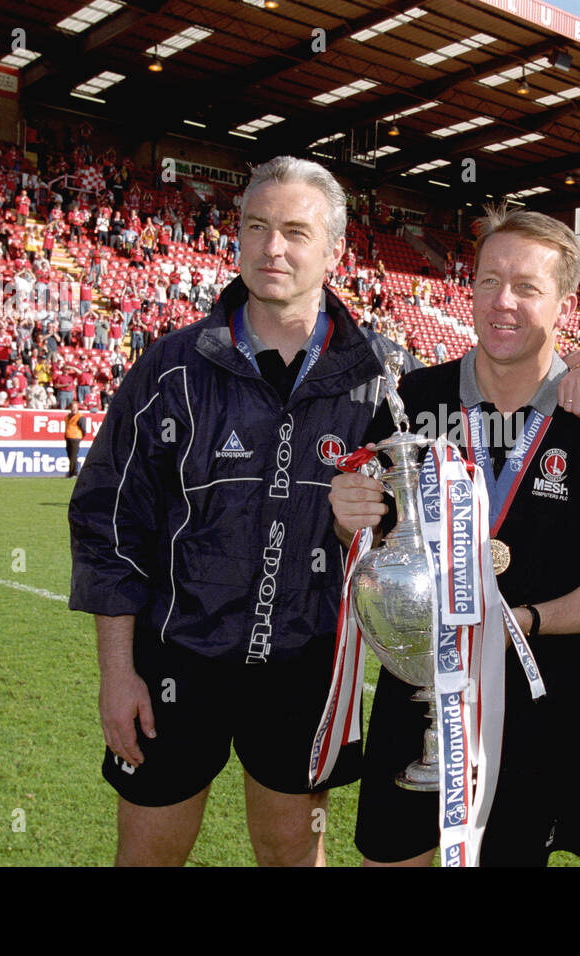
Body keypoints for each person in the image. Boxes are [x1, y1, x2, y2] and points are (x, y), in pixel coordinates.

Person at [68, 156, 414, 867]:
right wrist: (117, 671)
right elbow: (110, 523)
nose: (273, 248)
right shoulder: (169, 367)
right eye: (256, 226)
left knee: (291, 857)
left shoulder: (382, 377)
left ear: (335, 250)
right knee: (146, 860)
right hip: (176, 662)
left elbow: (417, 524)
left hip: (306, 664)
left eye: (294, 230)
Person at [329, 207, 580, 867]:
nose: (504, 301)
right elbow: (367, 543)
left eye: (528, 286)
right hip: (413, 696)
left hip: (534, 703)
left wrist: (522, 622)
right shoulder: (412, 399)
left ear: (563, 301)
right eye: (489, 279)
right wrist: (345, 510)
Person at [65, 400, 89, 478]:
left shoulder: (80, 417)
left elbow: (83, 429)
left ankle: (73, 472)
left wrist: (81, 436)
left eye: (75, 407)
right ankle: (72, 472)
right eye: (72, 407)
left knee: (73, 456)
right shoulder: (68, 416)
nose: (74, 409)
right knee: (70, 455)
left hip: (75, 437)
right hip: (68, 437)